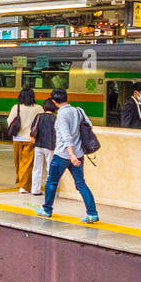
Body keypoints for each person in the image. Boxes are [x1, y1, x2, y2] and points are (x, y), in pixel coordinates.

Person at [35, 88, 99, 224]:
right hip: (79, 154)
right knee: (81, 183)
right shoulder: (78, 110)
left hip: (63, 155)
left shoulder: (62, 116)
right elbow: (89, 125)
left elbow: (66, 137)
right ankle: (92, 213)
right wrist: (76, 154)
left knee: (51, 182)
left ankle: (47, 209)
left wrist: (71, 155)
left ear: (54, 101)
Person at [6, 87, 39, 193]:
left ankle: (22, 184)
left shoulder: (16, 107)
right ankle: (23, 185)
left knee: (18, 163)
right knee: (27, 163)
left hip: (17, 138)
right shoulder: (38, 108)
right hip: (30, 139)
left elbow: (9, 121)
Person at [30, 96, 57, 196]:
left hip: (38, 145)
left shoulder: (38, 116)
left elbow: (33, 129)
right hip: (50, 146)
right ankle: (50, 190)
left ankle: (35, 189)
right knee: (50, 168)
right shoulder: (55, 119)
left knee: (37, 168)